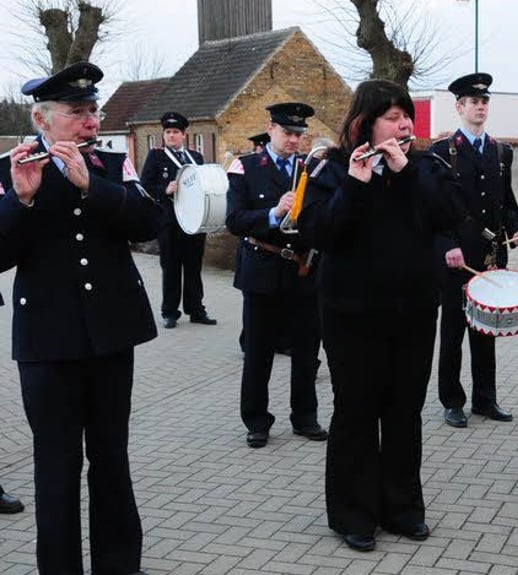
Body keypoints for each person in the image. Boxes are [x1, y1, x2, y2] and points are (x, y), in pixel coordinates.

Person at [0, 61, 158, 575]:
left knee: (111, 458)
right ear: (41, 119)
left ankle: (119, 565)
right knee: (56, 468)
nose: (91, 122)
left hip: (110, 336)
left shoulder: (112, 163)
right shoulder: (11, 168)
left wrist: (94, 186)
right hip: (47, 343)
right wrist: (20, 200)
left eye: (94, 111)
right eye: (77, 112)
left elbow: (149, 223)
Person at [300, 79, 463, 552]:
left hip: (413, 312)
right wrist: (355, 185)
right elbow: (318, 232)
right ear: (364, 123)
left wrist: (405, 172)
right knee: (356, 411)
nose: (404, 124)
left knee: (404, 411)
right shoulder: (330, 167)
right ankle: (354, 513)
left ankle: (402, 507)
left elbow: (450, 214)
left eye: (406, 115)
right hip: (351, 315)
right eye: (392, 117)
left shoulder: (427, 166)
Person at [430, 72, 518, 428]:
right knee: (453, 332)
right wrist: (448, 244)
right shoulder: (442, 152)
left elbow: (507, 203)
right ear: (459, 107)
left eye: (485, 101)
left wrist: (516, 229)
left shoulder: (502, 152)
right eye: (474, 101)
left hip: (490, 256)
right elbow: (435, 208)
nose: (480, 107)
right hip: (456, 258)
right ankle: (452, 400)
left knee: (487, 330)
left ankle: (485, 399)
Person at [226, 103, 326, 449]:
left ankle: (305, 417)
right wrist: (273, 212)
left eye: (299, 134)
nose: (294, 140)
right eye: (287, 132)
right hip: (262, 269)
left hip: (303, 269)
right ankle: (256, 420)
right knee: (259, 351)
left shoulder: (310, 169)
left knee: (306, 351)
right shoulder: (247, 167)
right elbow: (234, 220)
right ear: (270, 129)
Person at [140, 111, 217, 329]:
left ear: (184, 135)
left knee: (194, 267)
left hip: (194, 221)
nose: (171, 136)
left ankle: (196, 309)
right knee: (171, 267)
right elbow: (145, 186)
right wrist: (164, 189)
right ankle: (170, 312)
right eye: (167, 132)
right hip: (169, 222)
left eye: (175, 132)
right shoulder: (156, 157)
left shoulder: (195, 157)